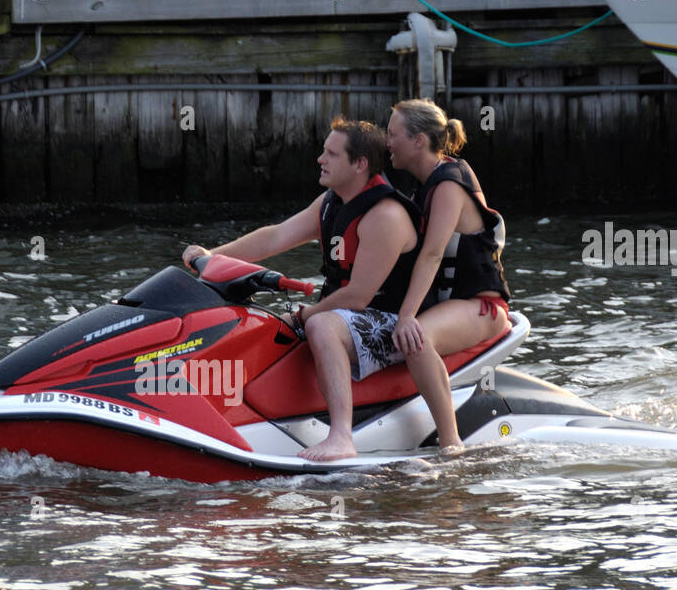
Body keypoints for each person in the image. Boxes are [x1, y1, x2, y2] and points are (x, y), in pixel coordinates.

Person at [182, 117, 419, 461]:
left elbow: (359, 297)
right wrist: (211, 256)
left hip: (392, 323)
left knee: (318, 324)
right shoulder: (331, 203)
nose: (320, 160)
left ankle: (341, 438)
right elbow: (276, 236)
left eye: (331, 154)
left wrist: (303, 316)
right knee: (255, 324)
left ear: (359, 164)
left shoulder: (385, 215)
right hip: (345, 316)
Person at [384, 99, 513, 451]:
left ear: (419, 141)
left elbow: (432, 254)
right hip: (455, 306)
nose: (387, 142)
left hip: (480, 309)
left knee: (416, 338)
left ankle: (451, 444)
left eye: (393, 134)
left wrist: (407, 317)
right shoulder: (425, 184)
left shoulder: (448, 186)